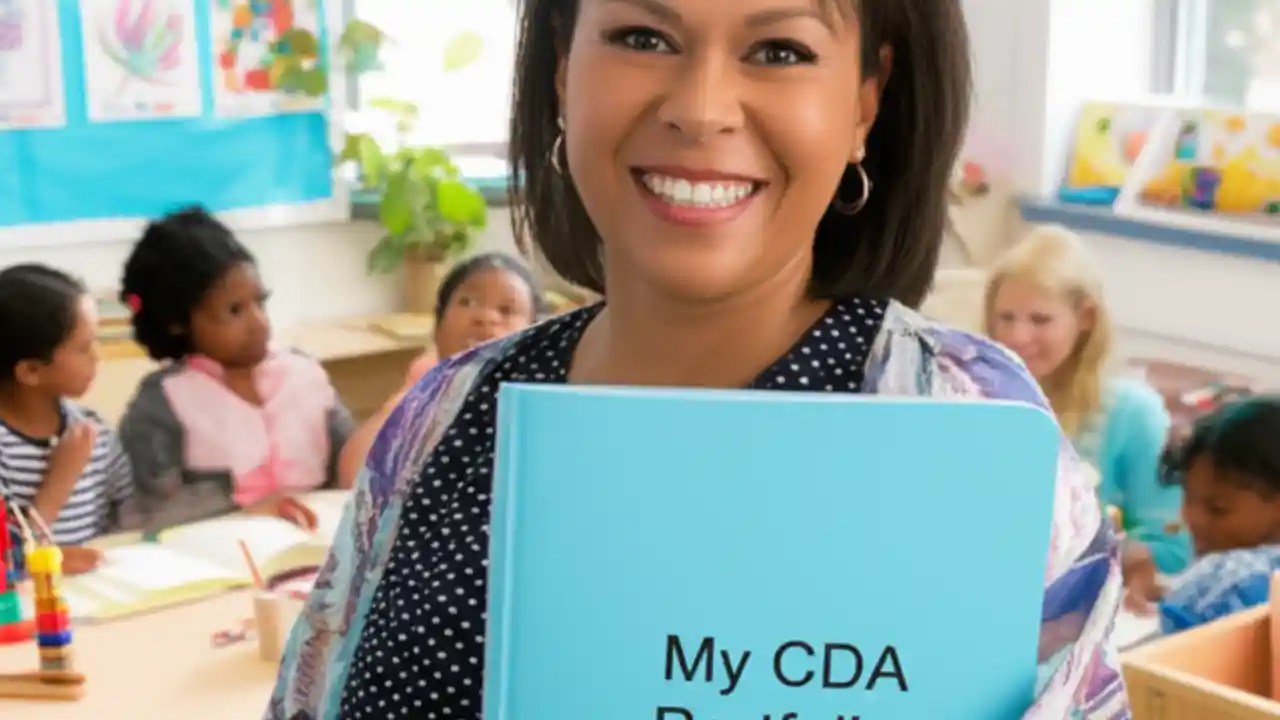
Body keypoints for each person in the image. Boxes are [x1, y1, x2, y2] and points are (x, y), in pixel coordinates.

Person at [267, 1, 1127, 717]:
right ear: (564, 67)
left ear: (865, 104)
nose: (701, 106)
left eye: (779, 50)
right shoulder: (449, 413)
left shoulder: (968, 437)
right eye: (643, 37)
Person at [117, 207, 355, 533]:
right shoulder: (162, 402)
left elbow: (355, 465)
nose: (258, 323)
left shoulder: (304, 375)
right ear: (177, 322)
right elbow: (149, 512)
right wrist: (242, 507)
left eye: (261, 302)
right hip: (219, 556)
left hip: (318, 543)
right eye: (235, 310)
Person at [986, 225, 1191, 575]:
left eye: (1040, 319)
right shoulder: (975, 399)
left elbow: (1174, 545)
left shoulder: (1134, 414)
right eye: (1006, 318)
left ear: (1086, 318)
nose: (1017, 336)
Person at [338, 252, 540, 483]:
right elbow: (353, 477)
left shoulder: (538, 411)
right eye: (467, 302)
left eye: (506, 310)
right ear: (438, 328)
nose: (484, 317)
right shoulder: (420, 400)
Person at [0, 265, 131, 573]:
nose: (97, 357)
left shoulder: (94, 430)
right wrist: (60, 481)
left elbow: (130, 523)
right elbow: (6, 562)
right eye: (84, 348)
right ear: (31, 371)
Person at [1125, 396, 1280, 633]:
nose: (1193, 519)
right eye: (1188, 497)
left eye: (1218, 508)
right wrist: (1170, 589)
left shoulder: (1235, 577)